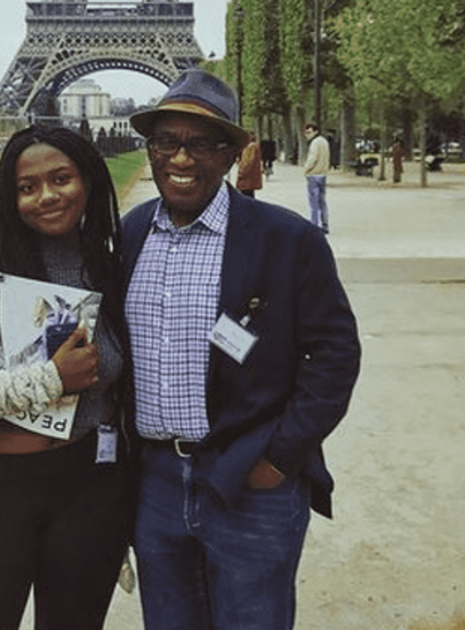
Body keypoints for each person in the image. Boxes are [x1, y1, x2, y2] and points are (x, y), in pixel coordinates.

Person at [124, 68, 362, 630]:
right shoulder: (129, 233)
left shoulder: (288, 239)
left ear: (233, 154)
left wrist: (280, 457)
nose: (180, 158)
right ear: (152, 149)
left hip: (249, 480)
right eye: (166, 141)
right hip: (155, 483)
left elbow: (335, 354)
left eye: (202, 144)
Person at [0, 126, 133, 630]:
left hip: (93, 485)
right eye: (26, 187)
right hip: (0, 492)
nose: (47, 196)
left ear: (87, 179)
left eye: (61, 178)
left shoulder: (110, 268)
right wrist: (50, 379)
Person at [302, 121, 331, 233]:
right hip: (323, 174)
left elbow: (313, 158)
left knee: (313, 202)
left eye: (309, 132)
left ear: (315, 131)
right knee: (322, 201)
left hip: (314, 174)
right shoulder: (324, 141)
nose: (307, 135)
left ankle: (314, 225)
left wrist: (306, 169)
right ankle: (325, 224)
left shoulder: (314, 143)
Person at [236, 130, 264, 197]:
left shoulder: (250, 147)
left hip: (247, 178)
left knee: (246, 196)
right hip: (250, 178)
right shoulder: (252, 146)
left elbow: (248, 162)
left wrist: (241, 172)